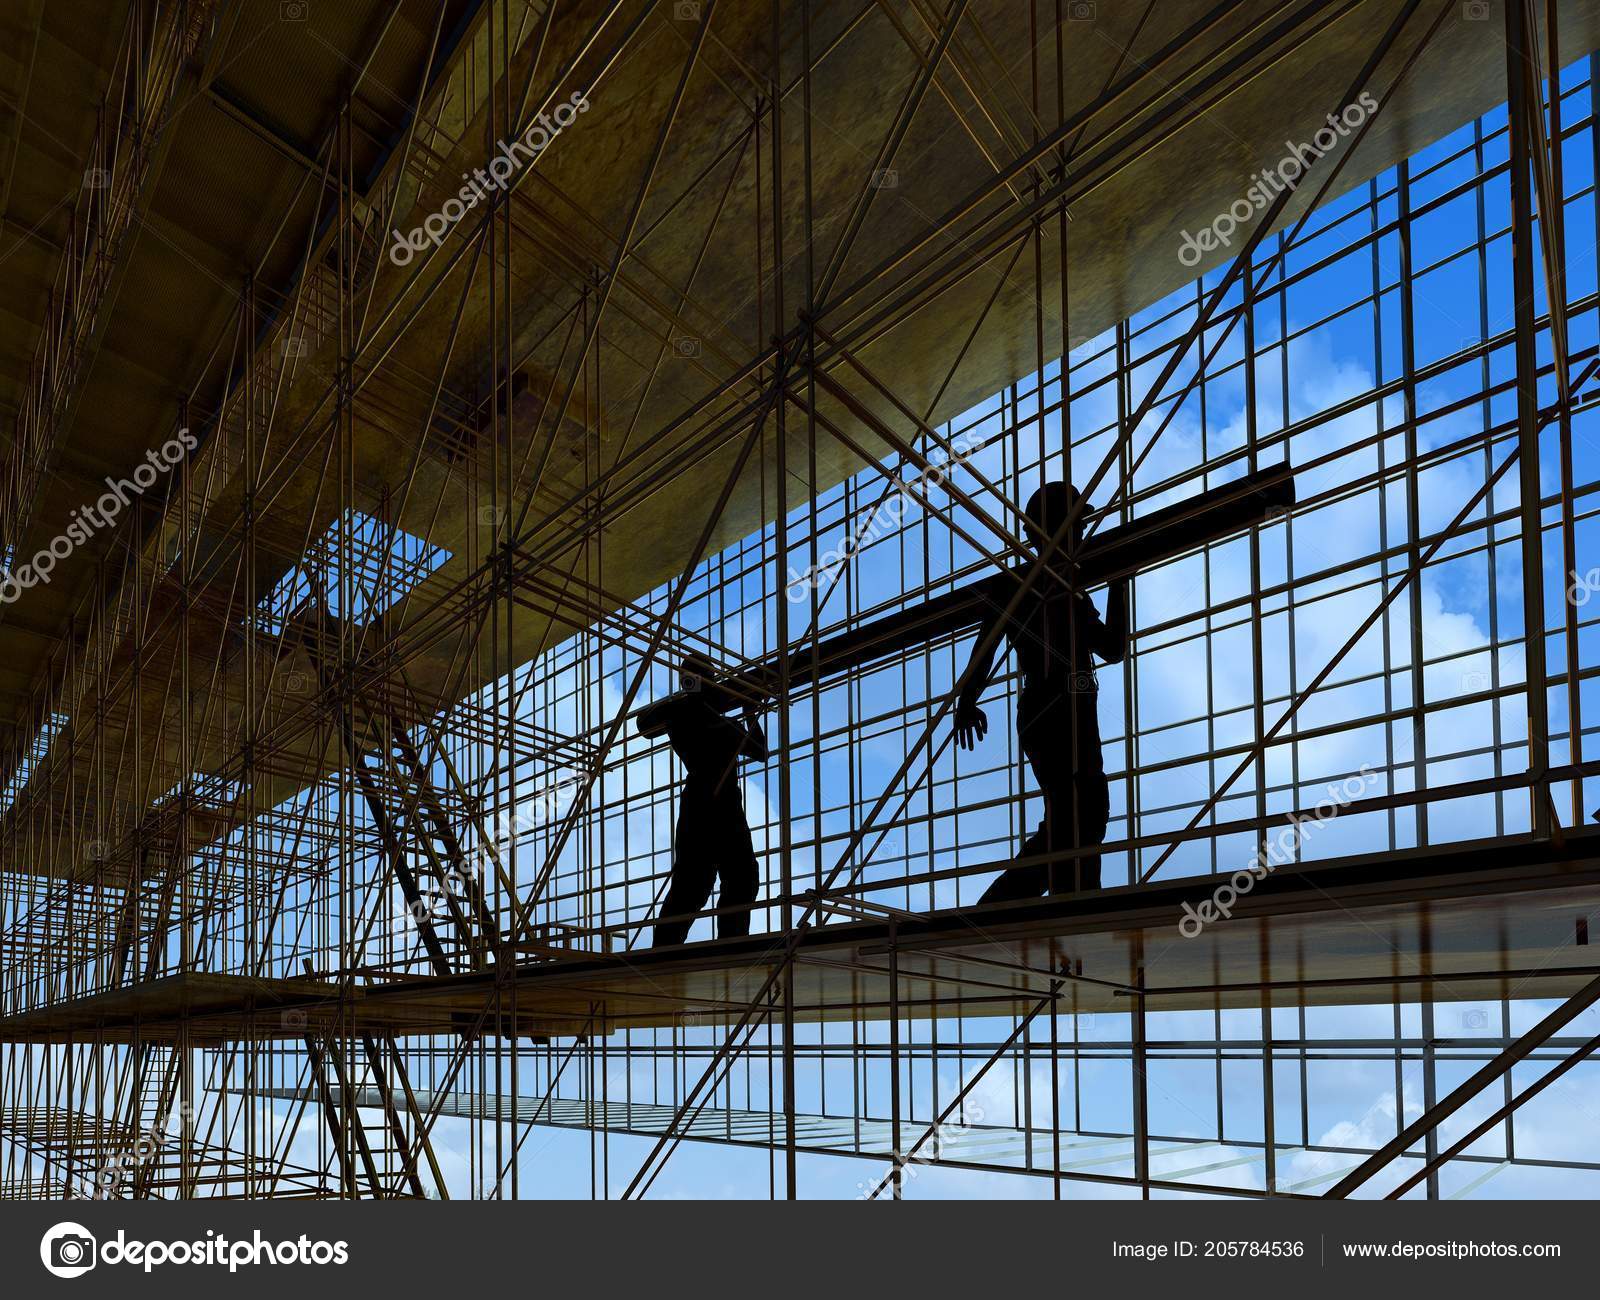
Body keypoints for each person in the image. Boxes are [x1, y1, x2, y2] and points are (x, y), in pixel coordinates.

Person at [953, 481, 1128, 901]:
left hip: (1070, 704)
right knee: (1079, 812)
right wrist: (966, 700)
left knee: (1079, 814)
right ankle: (1058, 908)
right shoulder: (1020, 584)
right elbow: (987, 645)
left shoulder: (1063, 585)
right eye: (1076, 526)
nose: (1082, 535)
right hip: (1053, 704)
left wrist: (1119, 579)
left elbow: (1111, 648)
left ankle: (1033, 905)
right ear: (1049, 528)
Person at [651, 652, 768, 946]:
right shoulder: (697, 719)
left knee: (699, 881)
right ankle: (729, 941)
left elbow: (758, 750)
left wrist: (746, 713)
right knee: (731, 876)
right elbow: (758, 750)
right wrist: (748, 713)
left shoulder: (684, 717)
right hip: (718, 802)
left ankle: (668, 947)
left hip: (702, 802)